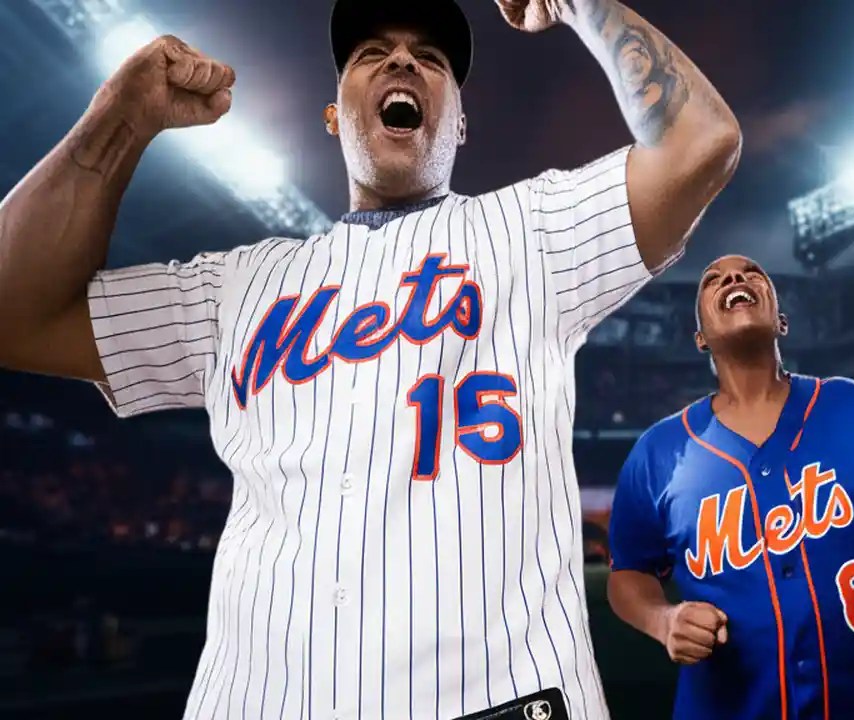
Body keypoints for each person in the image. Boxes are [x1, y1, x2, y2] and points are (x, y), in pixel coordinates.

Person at [0, 0, 741, 717]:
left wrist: (579, 2)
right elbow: (16, 314)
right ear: (334, 117)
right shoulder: (232, 287)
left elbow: (699, 140)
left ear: (460, 123)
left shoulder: (533, 233)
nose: (400, 60)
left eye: (429, 57)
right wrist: (120, 119)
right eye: (370, 54)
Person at [607, 254, 854, 720]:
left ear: (782, 321)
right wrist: (664, 620)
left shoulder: (850, 405)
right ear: (699, 337)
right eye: (714, 279)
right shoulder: (658, 449)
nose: (735, 278)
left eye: (752, 273)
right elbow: (628, 573)